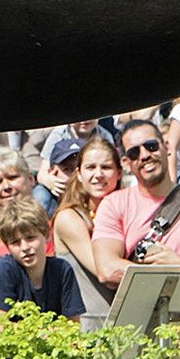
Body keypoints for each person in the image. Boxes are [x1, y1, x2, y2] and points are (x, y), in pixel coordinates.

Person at [91, 123, 180, 281]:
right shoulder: (113, 204)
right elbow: (107, 269)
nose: (145, 155)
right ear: (126, 163)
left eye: (151, 146)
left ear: (167, 147)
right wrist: (168, 270)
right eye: (134, 152)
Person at [0, 199, 84, 359]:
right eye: (15, 243)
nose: (25, 248)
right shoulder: (4, 271)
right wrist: (45, 333)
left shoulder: (62, 270)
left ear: (45, 235)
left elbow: (73, 326)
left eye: (30, 238)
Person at [48, 134, 122, 322]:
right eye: (90, 167)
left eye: (106, 167)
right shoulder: (69, 218)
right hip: (87, 324)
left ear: (119, 172)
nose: (98, 174)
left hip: (126, 322)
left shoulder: (127, 213)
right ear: (79, 174)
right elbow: (105, 272)